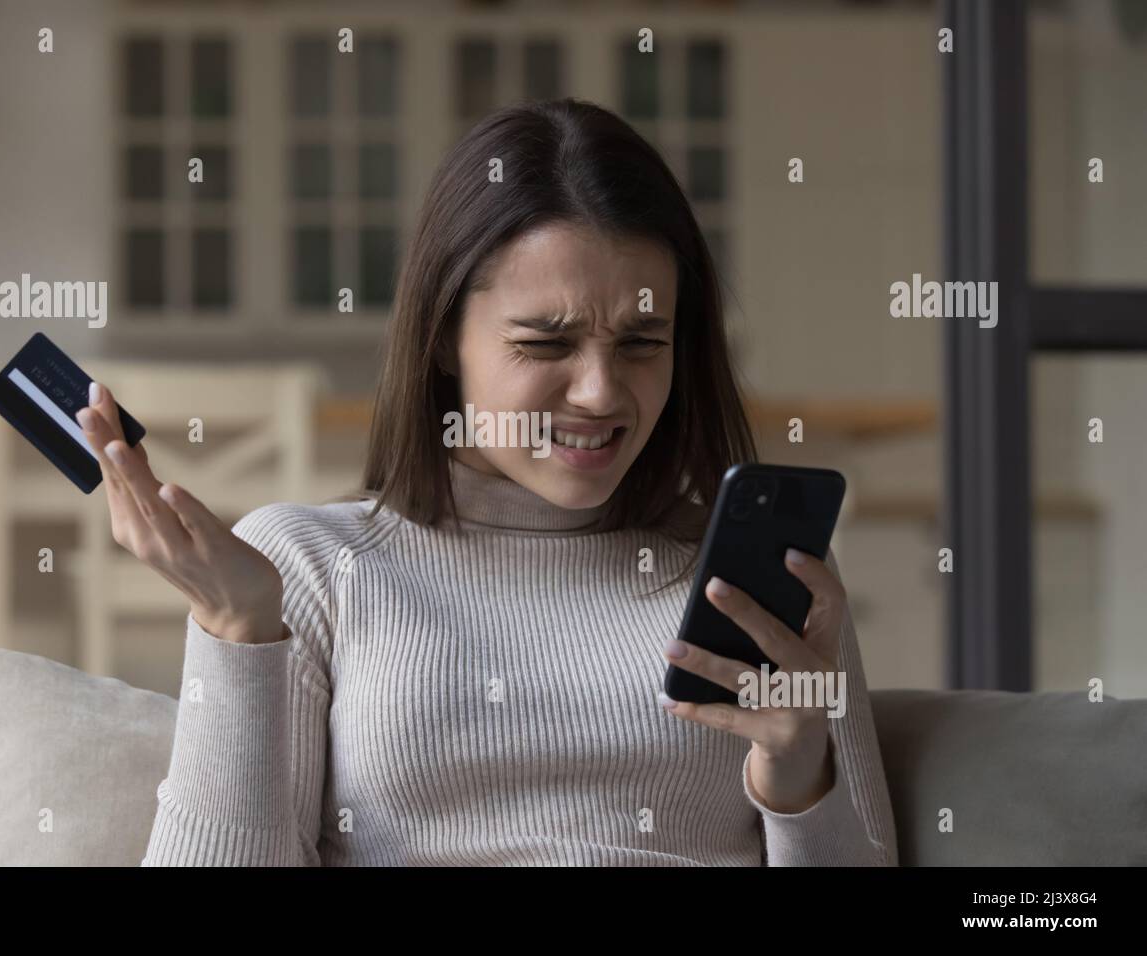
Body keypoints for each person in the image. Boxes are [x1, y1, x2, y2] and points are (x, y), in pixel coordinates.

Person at [76, 98, 897, 866]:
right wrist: (237, 633)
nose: (602, 392)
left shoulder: (758, 587)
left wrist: (799, 779)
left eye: (643, 342)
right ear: (442, 341)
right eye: (546, 345)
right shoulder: (302, 567)